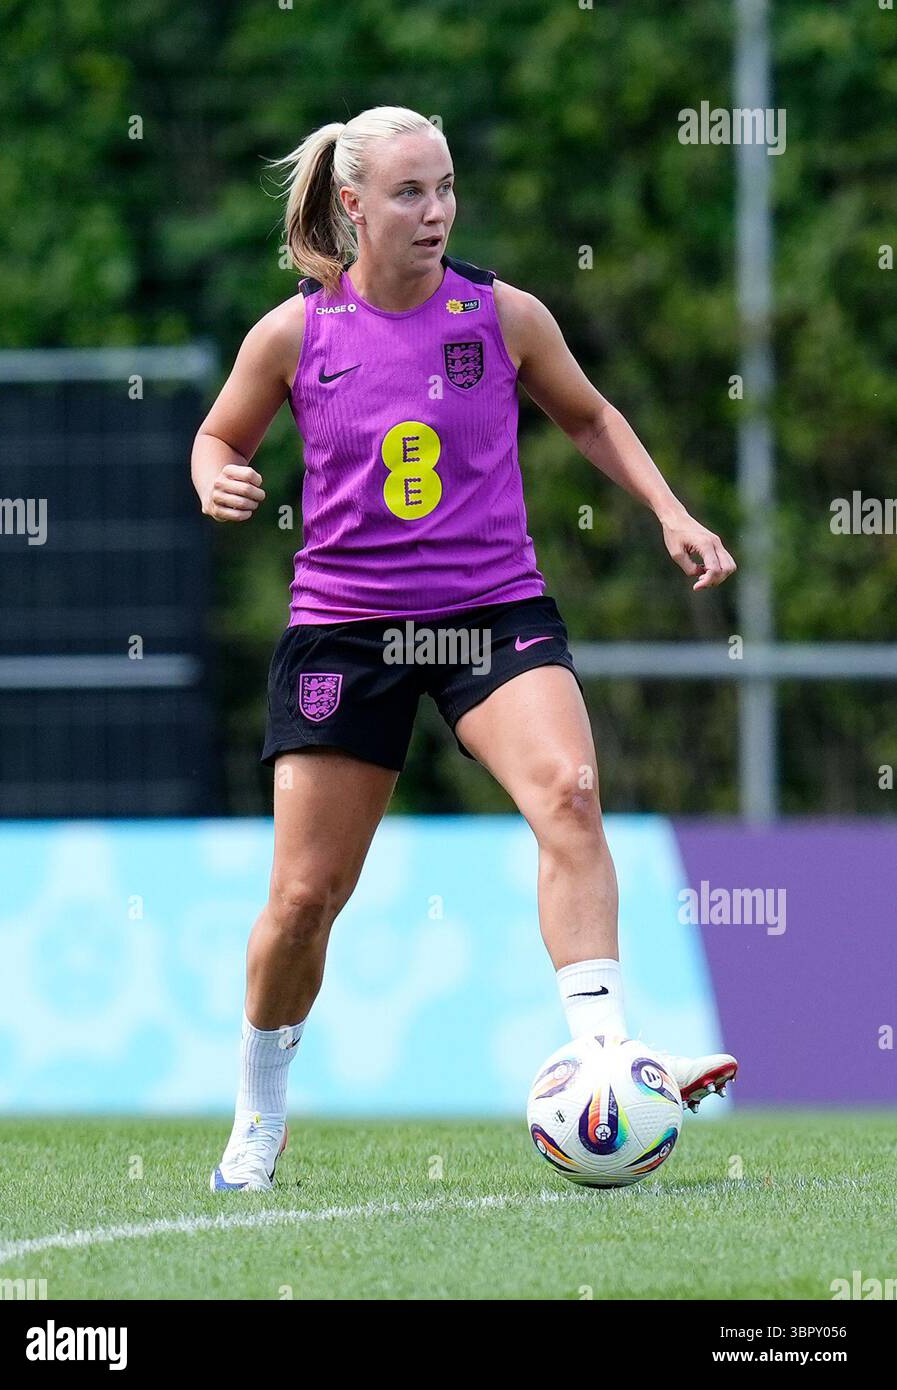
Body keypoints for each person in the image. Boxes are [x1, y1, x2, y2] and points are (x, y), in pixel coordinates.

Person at [191, 105, 738, 1193]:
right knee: (304, 901)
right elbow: (220, 434)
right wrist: (213, 473)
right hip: (347, 631)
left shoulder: (501, 314)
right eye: (409, 192)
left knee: (571, 793)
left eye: (445, 187)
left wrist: (669, 509)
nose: (435, 210)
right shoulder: (293, 335)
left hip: (492, 613)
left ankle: (603, 1061)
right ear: (352, 205)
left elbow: (589, 415)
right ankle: (259, 1110)